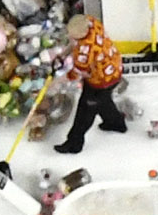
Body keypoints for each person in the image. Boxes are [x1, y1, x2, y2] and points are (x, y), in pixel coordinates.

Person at [54, 16, 129, 154]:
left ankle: (74, 144)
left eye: (74, 36)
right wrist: (64, 54)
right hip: (114, 68)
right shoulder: (92, 22)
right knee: (103, 101)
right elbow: (74, 43)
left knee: (86, 109)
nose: (71, 37)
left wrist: (59, 79)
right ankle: (116, 123)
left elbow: (77, 73)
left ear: (82, 34)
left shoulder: (86, 49)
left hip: (101, 80)